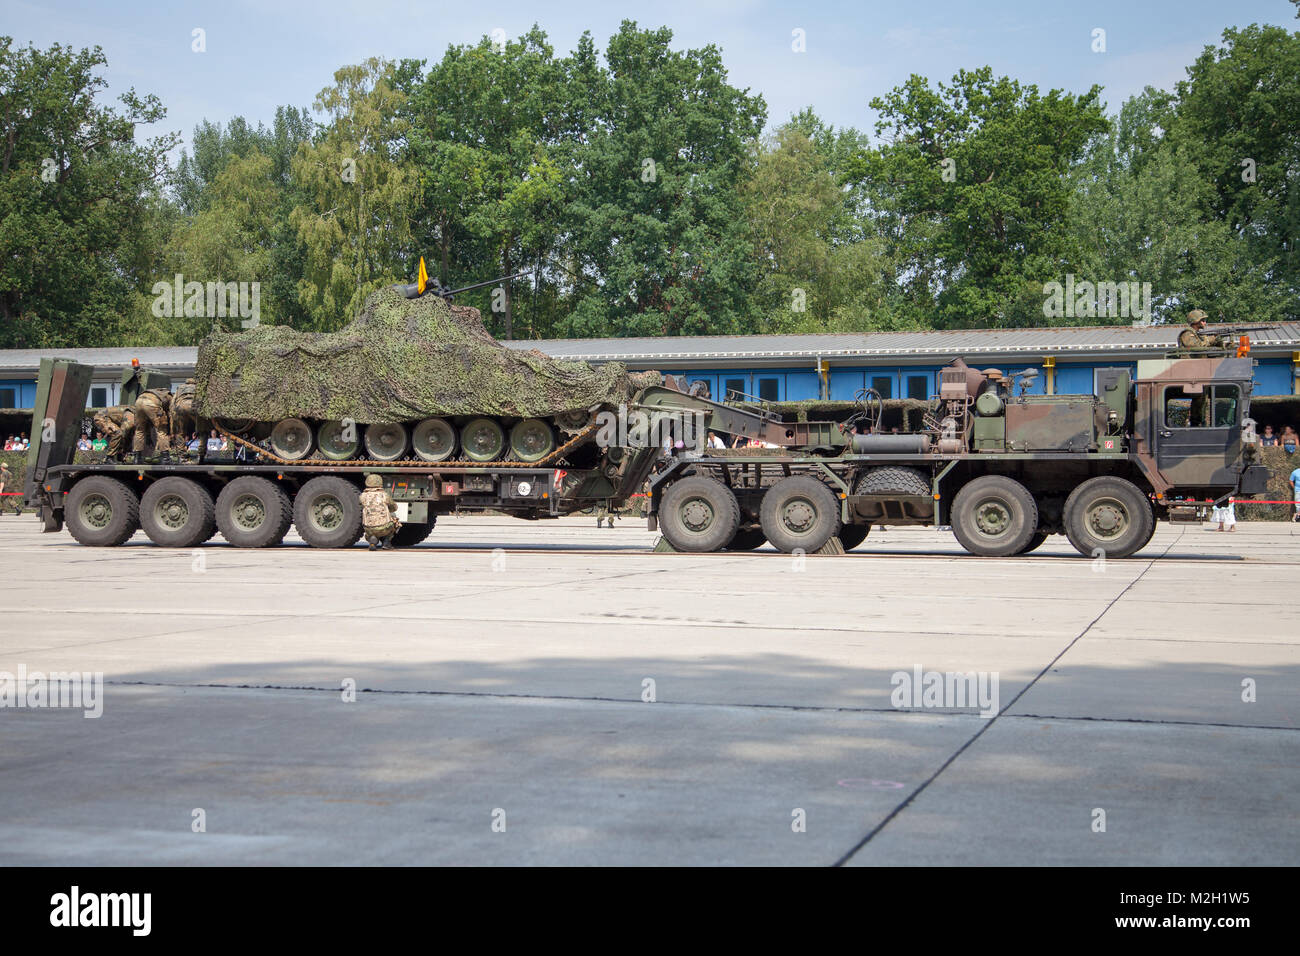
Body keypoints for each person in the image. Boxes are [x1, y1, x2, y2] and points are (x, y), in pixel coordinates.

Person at [132, 385, 172, 463]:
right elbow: (172, 412)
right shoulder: (169, 396)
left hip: (139, 401)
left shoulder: (155, 392)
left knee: (139, 430)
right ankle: (165, 458)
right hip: (151, 403)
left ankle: (137, 458)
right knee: (161, 430)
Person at [359, 473, 400, 550]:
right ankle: (386, 542)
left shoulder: (362, 496)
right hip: (384, 528)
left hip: (368, 529)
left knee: (368, 520)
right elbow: (394, 507)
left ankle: (372, 541)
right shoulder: (384, 495)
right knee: (394, 519)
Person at [170, 379, 197, 450]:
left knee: (180, 432)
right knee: (202, 430)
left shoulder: (180, 387)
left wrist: (173, 414)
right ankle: (201, 452)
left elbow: (173, 402)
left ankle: (181, 452)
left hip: (180, 408)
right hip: (193, 407)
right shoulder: (197, 387)